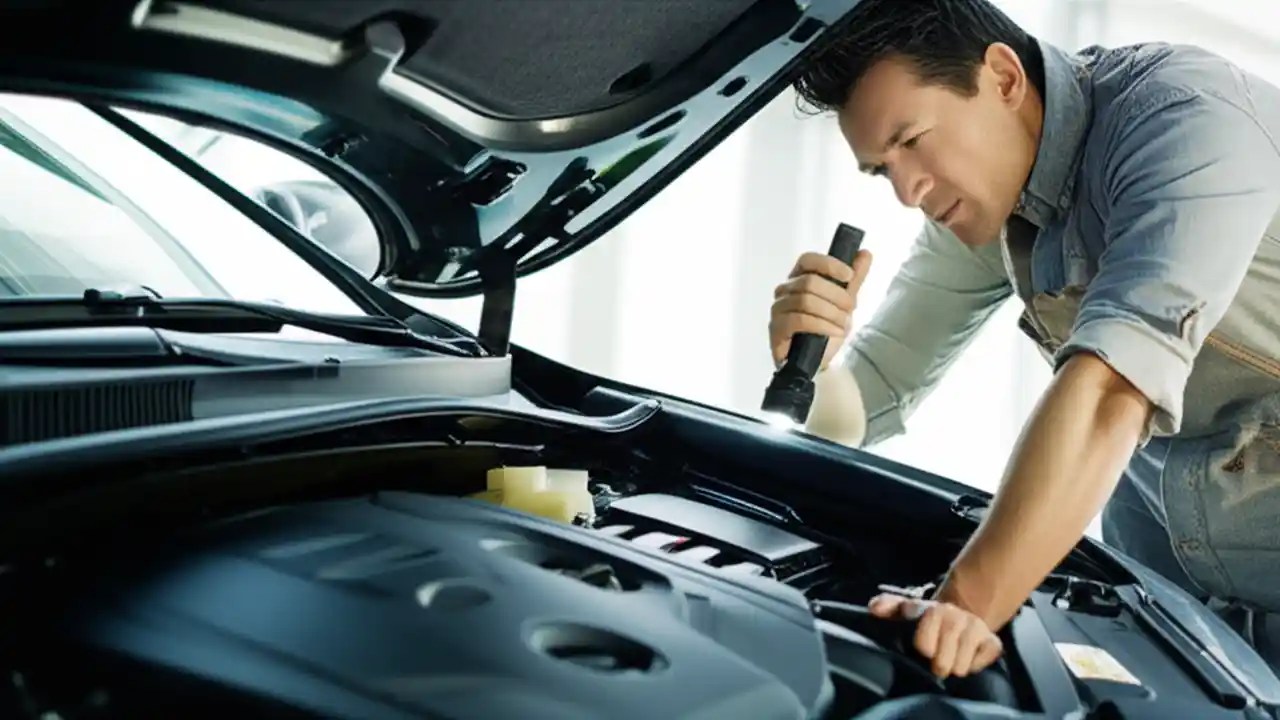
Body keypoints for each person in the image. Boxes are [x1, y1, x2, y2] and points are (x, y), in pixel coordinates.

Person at [769, 0, 1280, 679]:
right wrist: (814, 363)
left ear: (1004, 78)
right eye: (882, 169)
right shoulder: (992, 199)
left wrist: (966, 608)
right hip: (1186, 611)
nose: (908, 191)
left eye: (913, 140)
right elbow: (869, 400)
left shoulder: (1185, 125)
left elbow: (1108, 393)